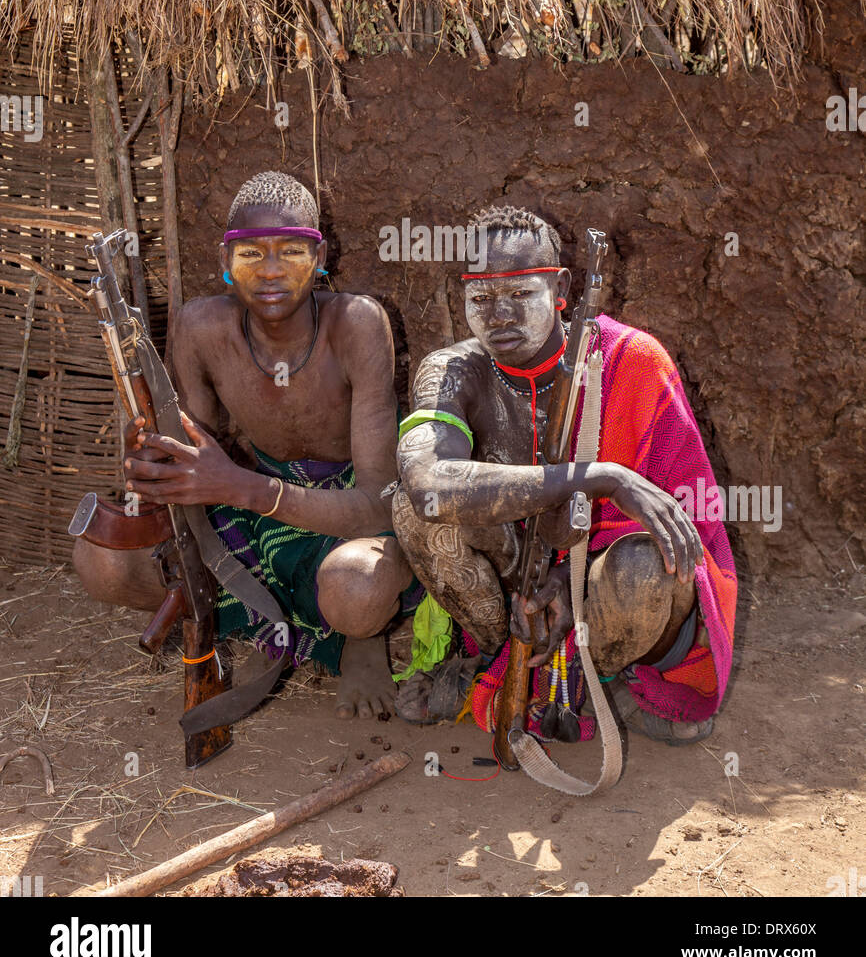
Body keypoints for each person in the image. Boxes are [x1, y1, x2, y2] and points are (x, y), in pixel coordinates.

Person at [391, 204, 737, 745]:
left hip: (607, 583)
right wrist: (598, 477)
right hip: (514, 582)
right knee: (414, 513)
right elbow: (428, 483)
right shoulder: (454, 371)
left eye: (520, 296)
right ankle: (498, 661)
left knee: (645, 567)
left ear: (561, 289)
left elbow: (688, 517)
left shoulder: (631, 360)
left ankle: (611, 669)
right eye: (481, 300)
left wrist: (571, 587)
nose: (500, 316)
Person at [123, 171, 416, 719]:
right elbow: (190, 446)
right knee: (104, 563)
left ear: (320, 255)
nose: (272, 271)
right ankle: (242, 614)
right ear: (225, 262)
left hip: (354, 509)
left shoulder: (356, 324)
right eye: (251, 253)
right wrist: (147, 456)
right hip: (259, 504)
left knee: (355, 589)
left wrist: (245, 487)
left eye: (292, 252)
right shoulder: (201, 328)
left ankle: (362, 636)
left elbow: (381, 503)